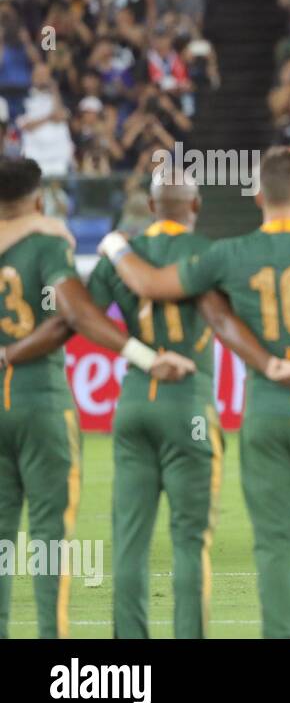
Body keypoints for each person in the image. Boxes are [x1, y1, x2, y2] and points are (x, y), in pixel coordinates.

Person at [97, 148, 290, 638]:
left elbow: (152, 283)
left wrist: (116, 247)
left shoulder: (229, 254)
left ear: (257, 197)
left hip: (265, 415)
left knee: (274, 548)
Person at [88, 181, 290, 637]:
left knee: (129, 542)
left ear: (153, 206)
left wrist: (136, 352)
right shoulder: (212, 254)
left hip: (134, 402)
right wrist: (273, 363)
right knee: (190, 542)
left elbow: (77, 314)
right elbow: (230, 319)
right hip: (189, 405)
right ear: (196, 205)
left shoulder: (124, 255)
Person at [0, 156, 197, 638]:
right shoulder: (47, 243)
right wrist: (145, 357)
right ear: (40, 197)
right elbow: (75, 313)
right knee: (49, 537)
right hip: (40, 400)